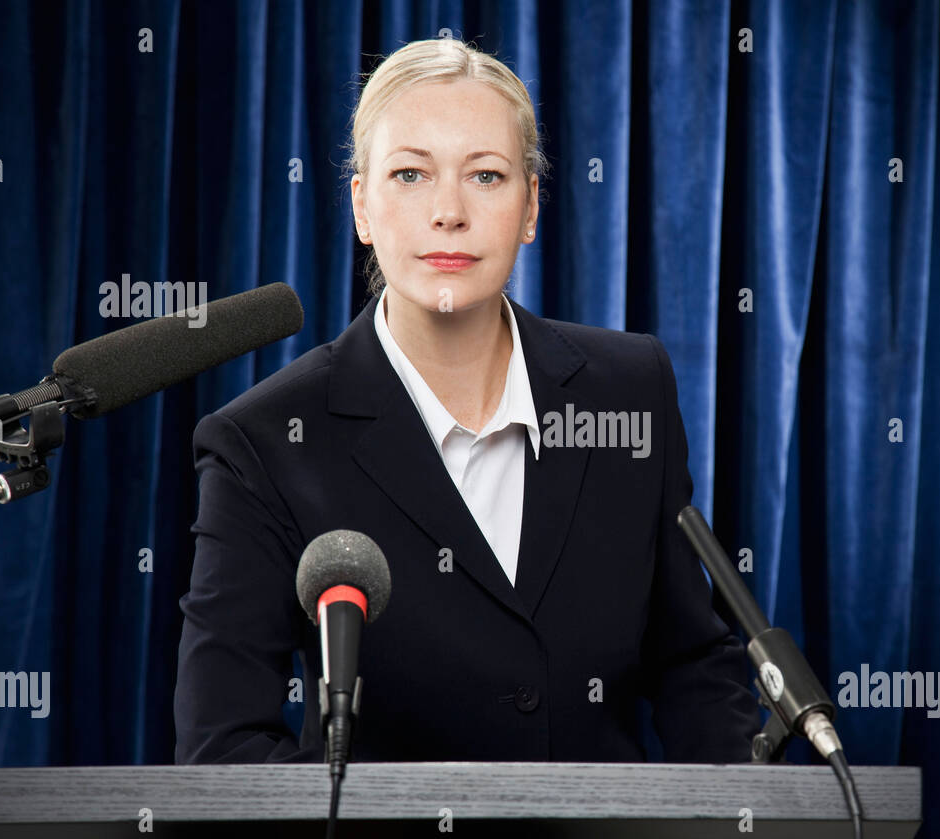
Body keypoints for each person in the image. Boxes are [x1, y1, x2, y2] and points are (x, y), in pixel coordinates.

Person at [173, 37, 759, 764]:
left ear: (531, 206)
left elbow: (692, 666)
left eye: (485, 175)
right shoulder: (262, 442)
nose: (448, 212)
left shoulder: (630, 386)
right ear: (362, 206)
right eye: (411, 174)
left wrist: (748, 821)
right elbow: (223, 747)